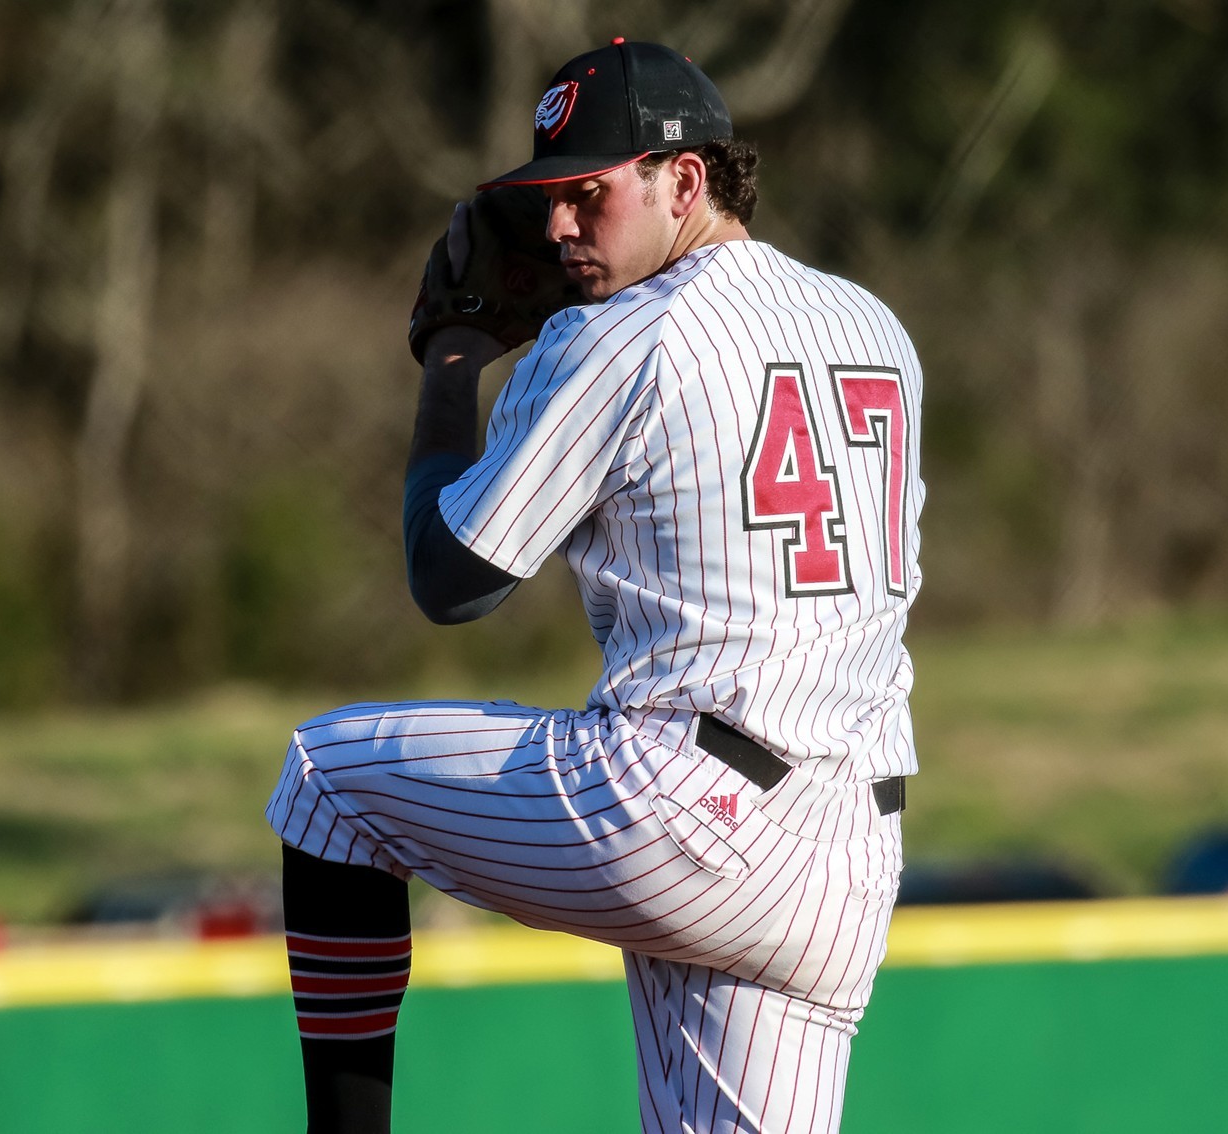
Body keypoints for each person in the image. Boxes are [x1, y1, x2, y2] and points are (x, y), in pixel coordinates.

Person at [267, 39, 925, 1134]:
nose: (564, 226)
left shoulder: (623, 333)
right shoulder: (873, 325)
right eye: (550, 200)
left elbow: (451, 578)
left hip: (683, 810)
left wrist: (452, 361)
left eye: (591, 192)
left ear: (687, 179)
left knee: (326, 783)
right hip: (851, 853)